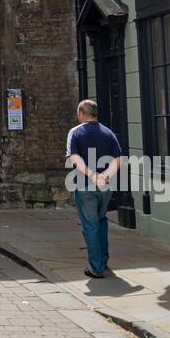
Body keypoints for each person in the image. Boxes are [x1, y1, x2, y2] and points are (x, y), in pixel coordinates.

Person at [65, 99, 122, 279]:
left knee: (90, 226)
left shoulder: (75, 133)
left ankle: (96, 268)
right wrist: (104, 176)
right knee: (101, 220)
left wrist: (92, 175)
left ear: (81, 113)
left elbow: (75, 159)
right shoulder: (109, 133)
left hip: (85, 185)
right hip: (106, 185)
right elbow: (118, 160)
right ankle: (103, 260)